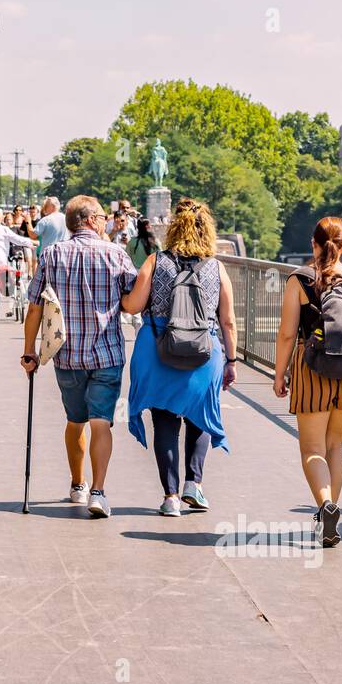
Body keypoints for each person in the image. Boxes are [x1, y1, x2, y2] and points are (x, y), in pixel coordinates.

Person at [21, 196, 138, 519]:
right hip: (107, 354)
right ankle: (99, 493)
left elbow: (34, 306)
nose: (105, 221)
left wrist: (29, 350)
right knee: (102, 423)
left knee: (76, 421)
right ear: (89, 220)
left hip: (67, 354)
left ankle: (78, 483)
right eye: (101, 216)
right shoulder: (116, 254)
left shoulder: (53, 254)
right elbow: (130, 304)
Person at [121, 199, 237, 515]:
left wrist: (122, 294)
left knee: (164, 421)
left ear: (173, 229)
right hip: (204, 351)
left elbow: (132, 306)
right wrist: (231, 360)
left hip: (159, 349)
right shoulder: (217, 267)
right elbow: (227, 320)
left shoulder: (155, 262)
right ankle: (193, 486)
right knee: (199, 417)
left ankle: (170, 497)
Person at [272, 217, 342, 548]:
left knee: (312, 449)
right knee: (335, 446)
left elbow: (288, 333)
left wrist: (279, 373)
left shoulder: (300, 280)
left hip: (311, 370)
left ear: (313, 244)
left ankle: (325, 506)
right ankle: (328, 513)